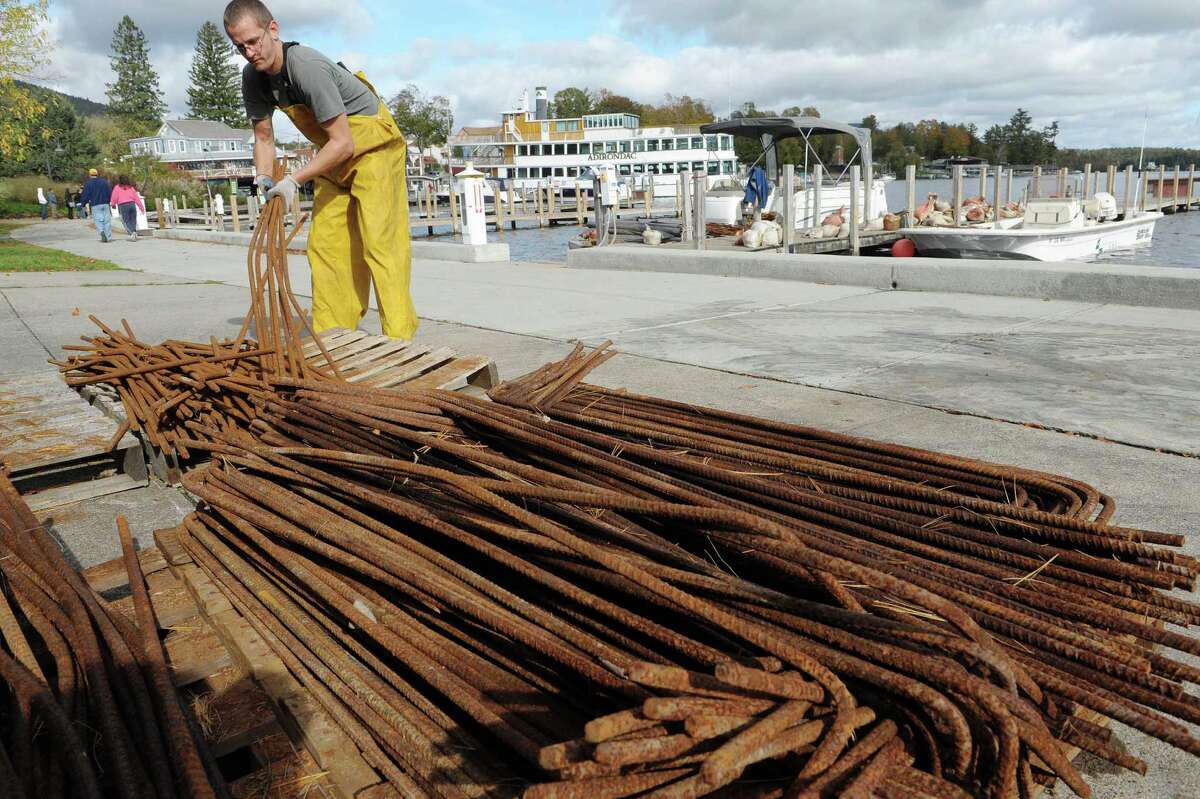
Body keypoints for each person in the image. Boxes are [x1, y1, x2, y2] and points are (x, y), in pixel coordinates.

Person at [223, 0, 417, 340]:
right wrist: (265, 181)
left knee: (381, 247)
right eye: (240, 46)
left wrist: (293, 181)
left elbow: (344, 142)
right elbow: (263, 136)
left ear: (273, 29)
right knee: (326, 248)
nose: (249, 52)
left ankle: (400, 340)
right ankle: (334, 339)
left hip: (374, 150)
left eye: (253, 41)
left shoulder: (305, 66)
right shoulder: (253, 78)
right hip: (334, 158)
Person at [79, 168, 113, 242]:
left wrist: (83, 204)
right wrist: (110, 201)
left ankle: (101, 231)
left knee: (98, 220)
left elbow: (86, 195)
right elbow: (110, 192)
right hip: (105, 203)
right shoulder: (104, 182)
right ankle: (109, 237)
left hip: (95, 204)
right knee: (107, 221)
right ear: (97, 174)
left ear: (90, 175)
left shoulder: (88, 183)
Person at [110, 175, 145, 242]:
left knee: (126, 220)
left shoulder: (117, 187)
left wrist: (113, 204)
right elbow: (136, 198)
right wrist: (141, 207)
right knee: (133, 220)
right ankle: (134, 232)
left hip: (123, 205)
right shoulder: (131, 188)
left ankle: (132, 233)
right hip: (132, 204)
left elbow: (114, 197)